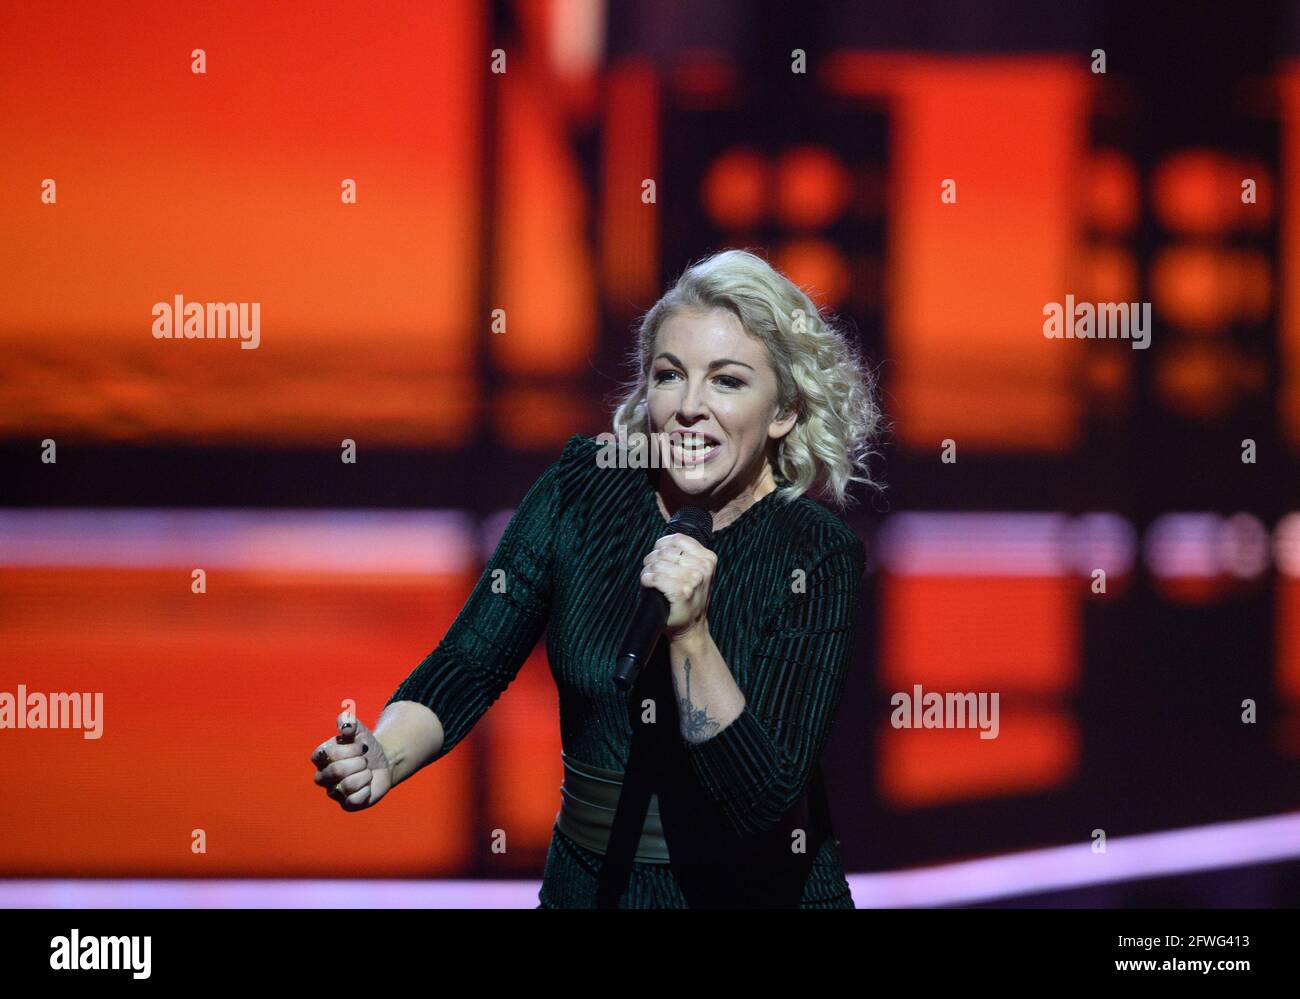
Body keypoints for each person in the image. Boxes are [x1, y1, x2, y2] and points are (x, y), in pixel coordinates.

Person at [310, 249, 886, 907]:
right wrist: (384, 754)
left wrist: (691, 636)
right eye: (671, 376)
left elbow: (763, 800)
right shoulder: (583, 491)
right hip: (593, 887)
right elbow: (471, 662)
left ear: (782, 410)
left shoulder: (815, 553)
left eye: (727, 382)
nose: (690, 407)